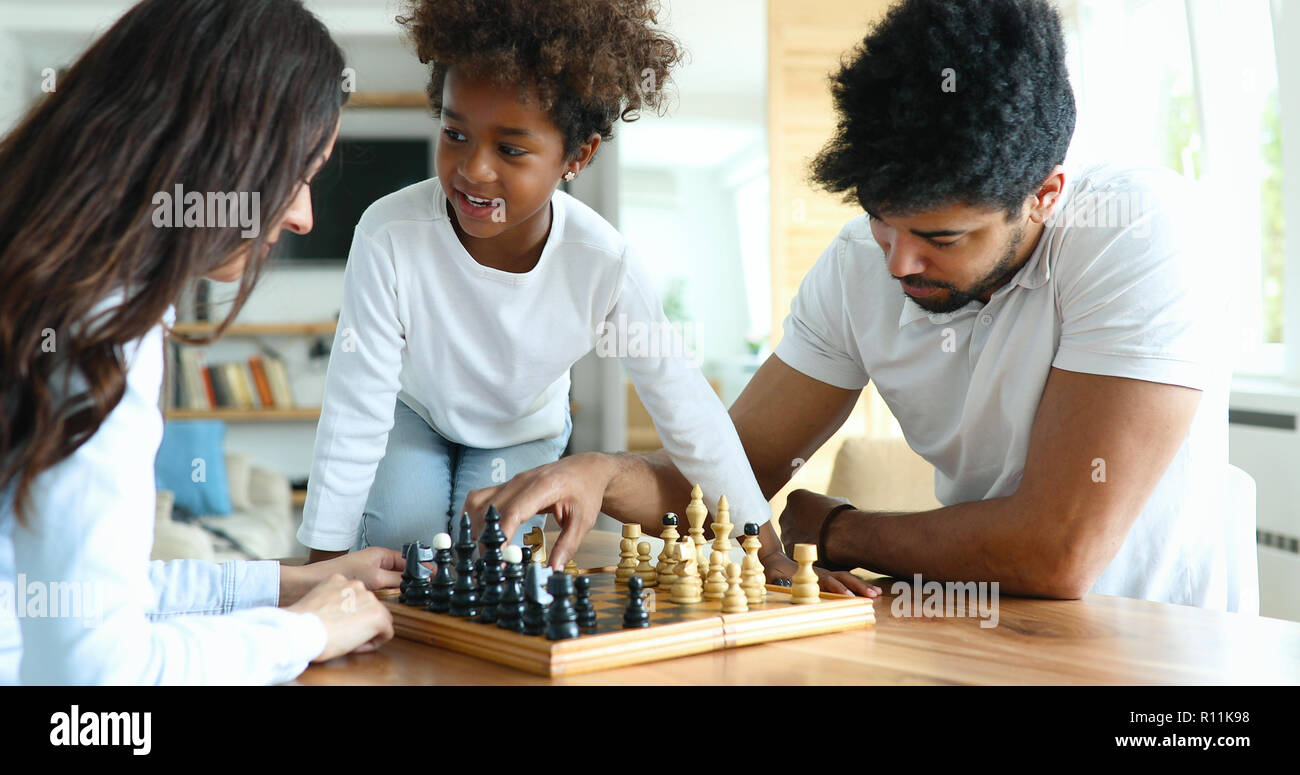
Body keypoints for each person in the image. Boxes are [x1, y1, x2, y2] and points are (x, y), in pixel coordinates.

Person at [465, 0, 1254, 613]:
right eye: (883, 219)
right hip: (982, 633)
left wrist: (838, 529)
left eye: (941, 235)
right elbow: (724, 477)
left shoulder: (1139, 233)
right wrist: (602, 474)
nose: (900, 261)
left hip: (1156, 650)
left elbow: (1060, 552)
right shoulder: (857, 266)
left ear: (1044, 195)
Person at [0, 0, 401, 685]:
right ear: (219, 149)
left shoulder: (47, 281)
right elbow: (97, 679)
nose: (303, 214)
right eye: (298, 173)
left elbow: (91, 599)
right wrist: (305, 631)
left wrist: (290, 583)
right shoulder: (101, 328)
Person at [299, 0, 770, 568]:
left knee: (490, 558)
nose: (473, 169)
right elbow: (354, 409)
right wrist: (321, 570)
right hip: (414, 414)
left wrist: (764, 549)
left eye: (511, 149)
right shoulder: (387, 233)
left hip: (521, 430)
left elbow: (688, 408)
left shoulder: (604, 262)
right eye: (455, 133)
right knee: (409, 551)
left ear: (577, 155)